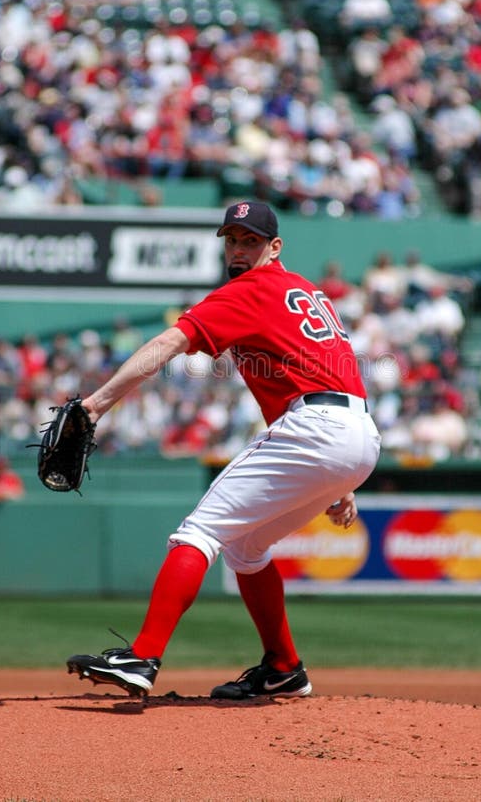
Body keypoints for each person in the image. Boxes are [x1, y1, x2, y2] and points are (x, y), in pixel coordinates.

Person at [67, 201, 381, 699]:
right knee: (246, 547)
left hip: (320, 427)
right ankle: (283, 666)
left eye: (250, 240)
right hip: (355, 428)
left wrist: (96, 404)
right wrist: (341, 476)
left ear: (274, 247)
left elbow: (168, 344)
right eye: (232, 240)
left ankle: (143, 656)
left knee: (200, 532)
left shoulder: (251, 289)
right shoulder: (302, 289)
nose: (238, 249)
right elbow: (329, 369)